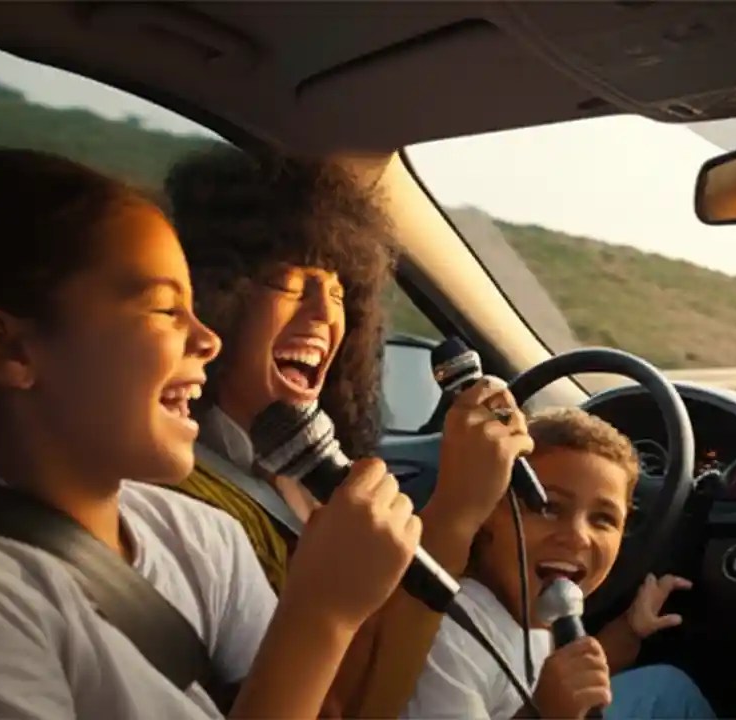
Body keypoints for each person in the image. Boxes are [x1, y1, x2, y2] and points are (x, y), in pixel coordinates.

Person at [0, 148, 421, 719]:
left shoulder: (201, 536)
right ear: (7, 349)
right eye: (163, 309)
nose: (208, 338)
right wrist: (321, 616)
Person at [163, 146, 534, 717]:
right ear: (212, 298)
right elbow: (358, 707)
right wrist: (455, 513)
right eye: (292, 283)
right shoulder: (185, 502)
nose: (324, 314)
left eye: (339, 292)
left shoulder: (299, 465)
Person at [404, 407, 716, 719]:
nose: (578, 537)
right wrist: (543, 714)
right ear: (489, 511)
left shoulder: (533, 610)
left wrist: (630, 628)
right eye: (548, 507)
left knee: (667, 688)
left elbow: (574, 678)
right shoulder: (449, 638)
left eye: (603, 519)